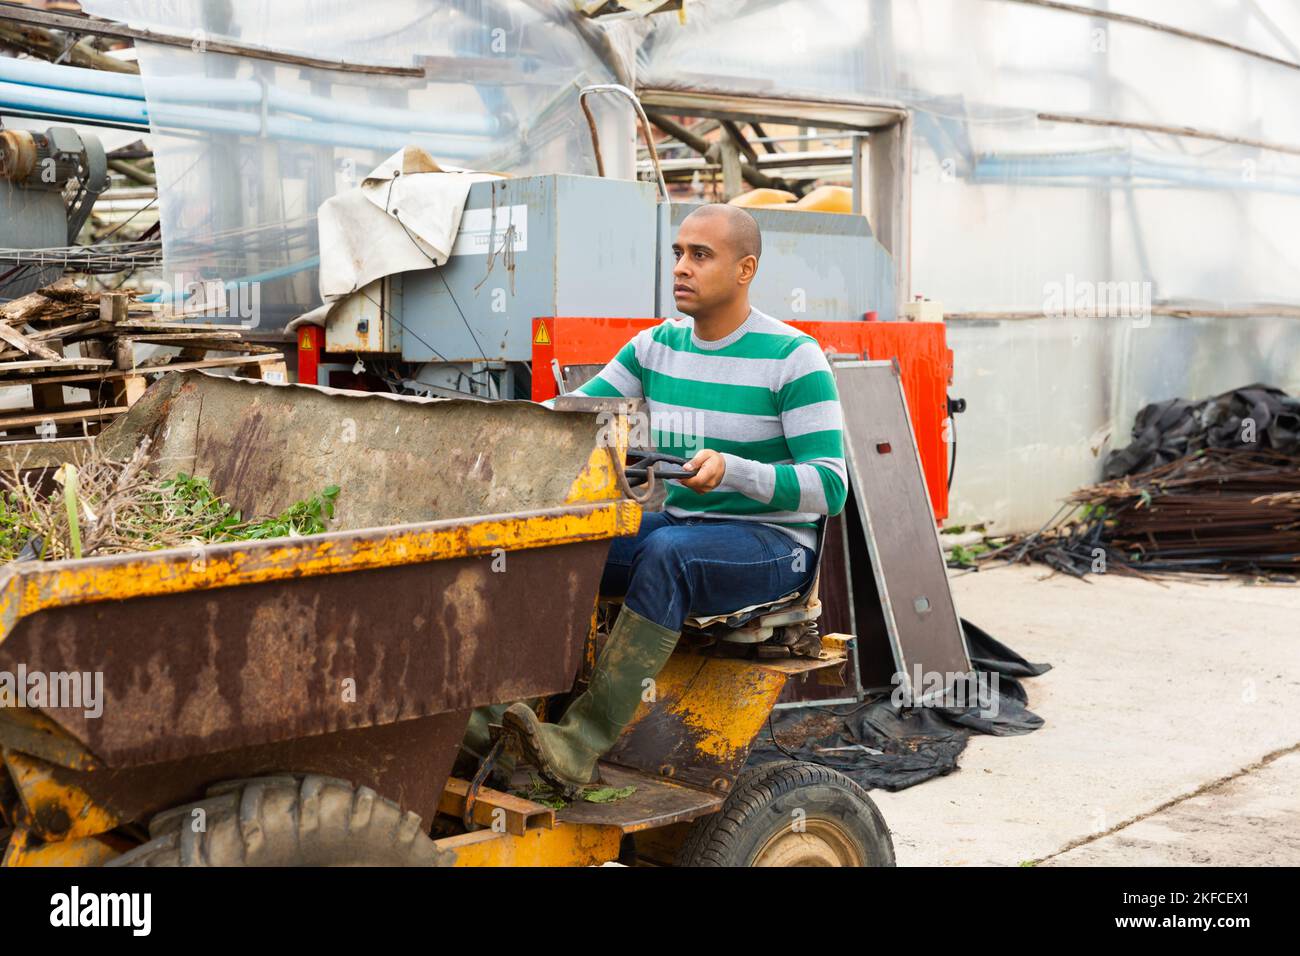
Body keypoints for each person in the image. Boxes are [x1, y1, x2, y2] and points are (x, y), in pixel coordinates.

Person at [501, 203, 849, 794]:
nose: (682, 267)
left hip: (776, 546)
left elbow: (831, 486)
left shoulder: (794, 358)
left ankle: (579, 745)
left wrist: (734, 471)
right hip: (684, 526)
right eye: (678, 253)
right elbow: (570, 415)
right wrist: (498, 428)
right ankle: (492, 721)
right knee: (563, 542)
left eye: (701, 255)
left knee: (669, 556)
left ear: (745, 270)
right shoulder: (654, 347)